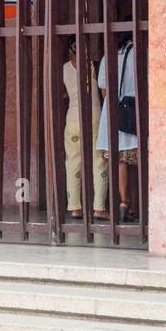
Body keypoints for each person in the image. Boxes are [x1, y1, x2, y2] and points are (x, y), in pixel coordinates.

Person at [62, 39, 108, 220]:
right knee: (99, 161)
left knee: (73, 162)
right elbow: (103, 90)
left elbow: (64, 93)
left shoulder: (64, 68)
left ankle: (75, 207)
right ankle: (99, 207)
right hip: (94, 117)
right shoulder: (94, 66)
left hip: (72, 118)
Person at [97, 36, 139, 223]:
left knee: (121, 159)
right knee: (141, 156)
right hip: (134, 108)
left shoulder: (109, 56)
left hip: (113, 110)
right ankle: (141, 205)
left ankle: (124, 201)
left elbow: (103, 87)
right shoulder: (139, 53)